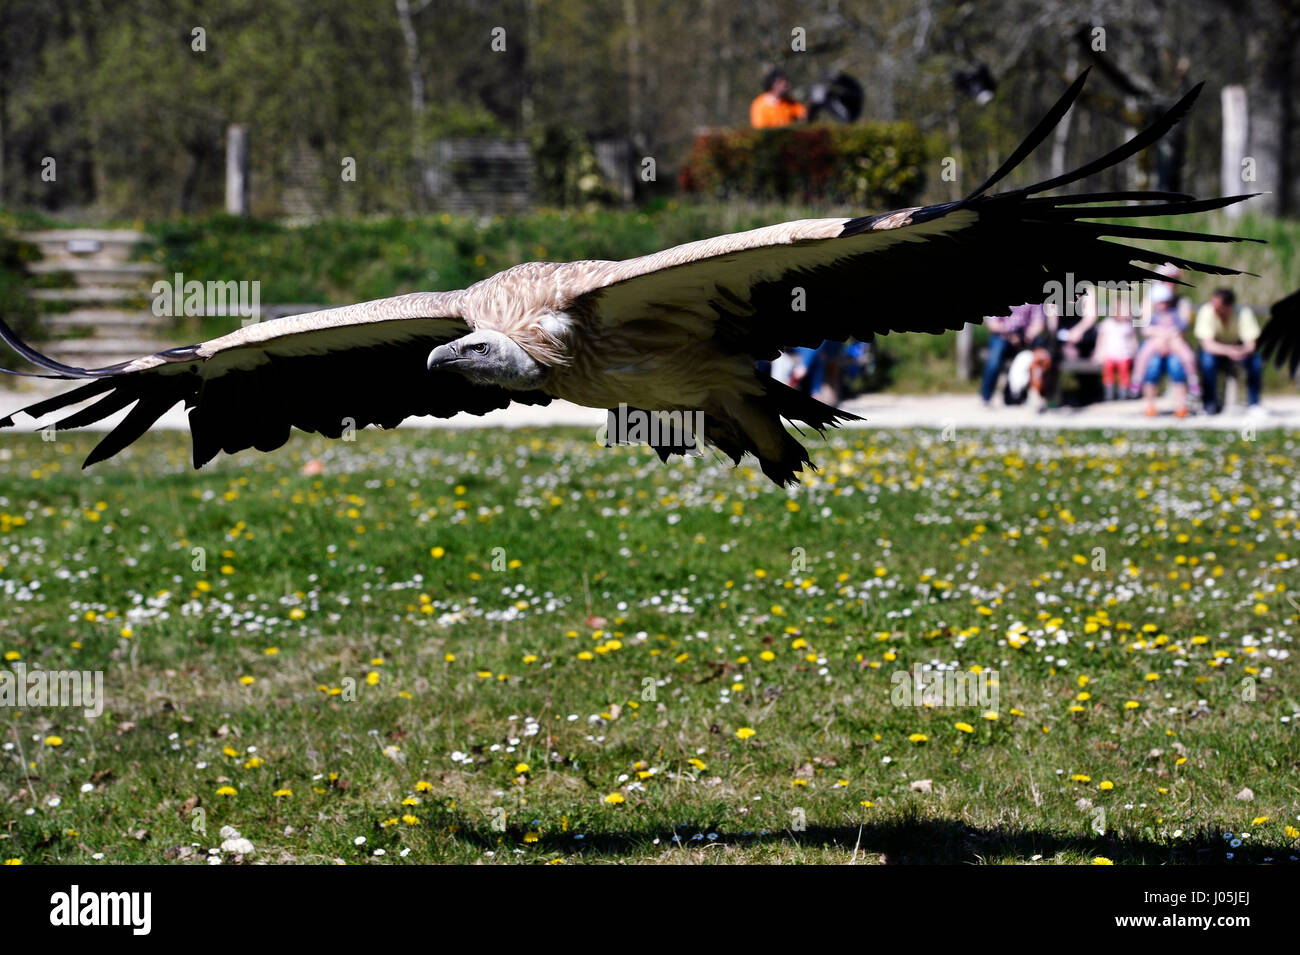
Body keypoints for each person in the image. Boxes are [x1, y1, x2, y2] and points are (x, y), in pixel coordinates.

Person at [1195, 288, 1264, 415]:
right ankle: (1209, 403)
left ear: (1228, 306)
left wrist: (1240, 351)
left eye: (1218, 306)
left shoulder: (1243, 313)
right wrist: (1229, 351)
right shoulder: (1206, 311)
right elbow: (1207, 345)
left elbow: (1251, 344)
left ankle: (1254, 404)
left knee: (1256, 362)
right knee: (1207, 362)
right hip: (1215, 351)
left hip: (1238, 350)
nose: (1214, 308)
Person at [979, 304, 1044, 405]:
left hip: (1026, 340)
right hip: (1002, 336)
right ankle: (986, 397)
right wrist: (1011, 335)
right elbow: (993, 324)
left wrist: (1026, 336)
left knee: (1042, 355)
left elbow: (1038, 323)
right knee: (994, 360)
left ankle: (1041, 396)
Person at [1094, 297, 1138, 401]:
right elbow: (1100, 340)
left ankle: (1123, 393)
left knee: (1124, 371)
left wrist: (1135, 352)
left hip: (1124, 355)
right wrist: (1098, 353)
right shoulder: (1107, 324)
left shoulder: (1129, 325)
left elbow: (1133, 340)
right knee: (1108, 370)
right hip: (1110, 354)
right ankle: (1109, 393)